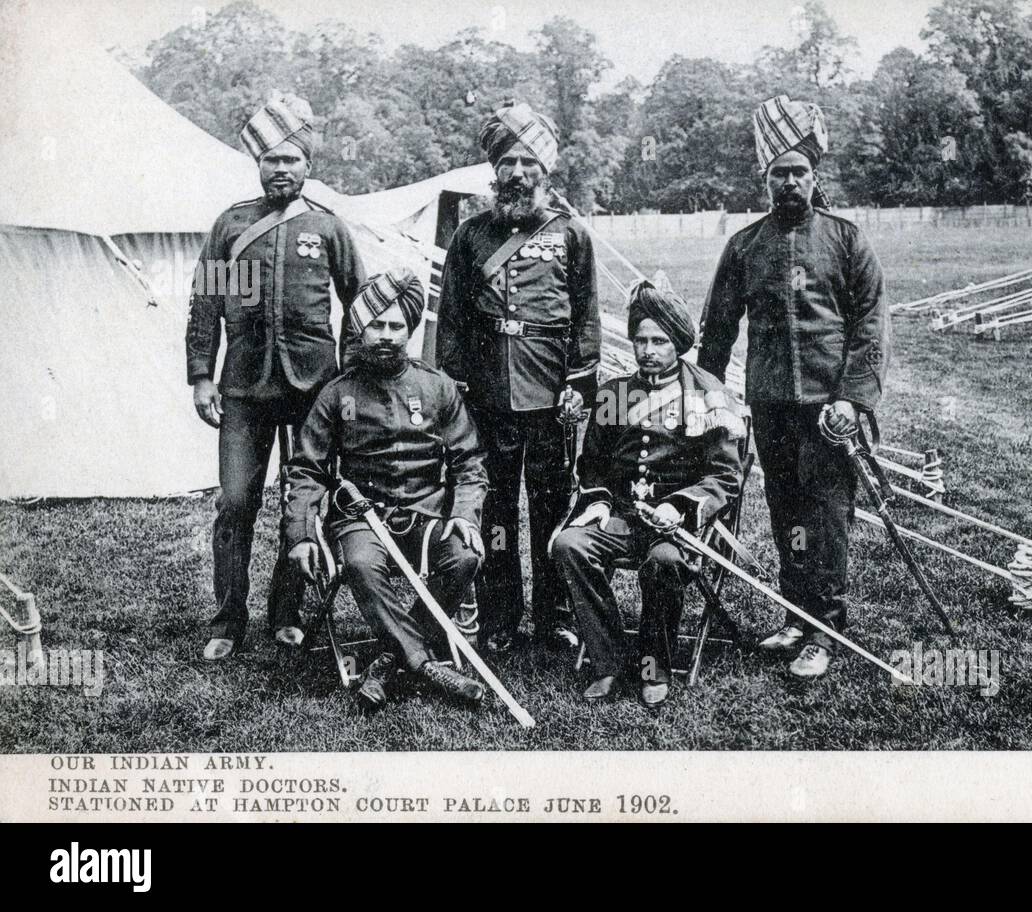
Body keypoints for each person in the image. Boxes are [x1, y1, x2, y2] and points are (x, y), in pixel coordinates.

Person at [698, 95, 891, 680]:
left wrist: (852, 400)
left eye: (799, 173)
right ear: (765, 180)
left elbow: (871, 325)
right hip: (772, 403)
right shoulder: (745, 245)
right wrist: (711, 396)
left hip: (832, 409)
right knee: (787, 513)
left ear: (815, 176)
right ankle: (795, 613)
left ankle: (825, 630)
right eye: (778, 173)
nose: (789, 183)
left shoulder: (846, 240)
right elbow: (718, 328)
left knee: (827, 514)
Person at [185, 92, 366, 661]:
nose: (281, 169)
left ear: (308, 166)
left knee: (302, 501)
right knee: (236, 502)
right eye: (271, 160)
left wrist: (351, 384)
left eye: (291, 160)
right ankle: (227, 620)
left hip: (314, 388)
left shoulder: (328, 228)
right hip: (243, 386)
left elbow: (360, 308)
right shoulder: (233, 225)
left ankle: (287, 611)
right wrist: (201, 375)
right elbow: (206, 304)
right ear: (258, 165)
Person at [433, 100, 601, 653]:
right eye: (509, 163)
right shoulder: (470, 236)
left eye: (530, 163)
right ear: (494, 172)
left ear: (546, 172)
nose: (519, 174)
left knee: (552, 506)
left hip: (550, 393)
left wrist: (580, 382)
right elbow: (452, 317)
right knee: (497, 508)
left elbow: (586, 314)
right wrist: (452, 386)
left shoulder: (572, 235)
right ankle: (503, 617)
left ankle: (554, 616)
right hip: (487, 394)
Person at [283, 268, 488, 712]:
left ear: (409, 330)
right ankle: (425, 664)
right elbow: (306, 469)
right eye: (377, 325)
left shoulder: (438, 387)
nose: (386, 336)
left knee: (466, 556)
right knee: (358, 562)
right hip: (361, 517)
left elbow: (469, 462)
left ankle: (388, 664)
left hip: (426, 514)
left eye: (396, 326)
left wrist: (464, 513)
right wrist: (300, 534)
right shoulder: (337, 394)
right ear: (361, 329)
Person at [551, 281, 743, 708]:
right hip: (620, 517)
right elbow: (594, 464)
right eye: (641, 340)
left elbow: (726, 475)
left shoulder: (707, 393)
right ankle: (608, 661)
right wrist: (599, 501)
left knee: (664, 562)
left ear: (679, 343)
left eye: (659, 341)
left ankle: (654, 666)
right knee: (570, 545)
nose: (648, 350)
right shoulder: (614, 393)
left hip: (676, 527)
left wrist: (680, 506)